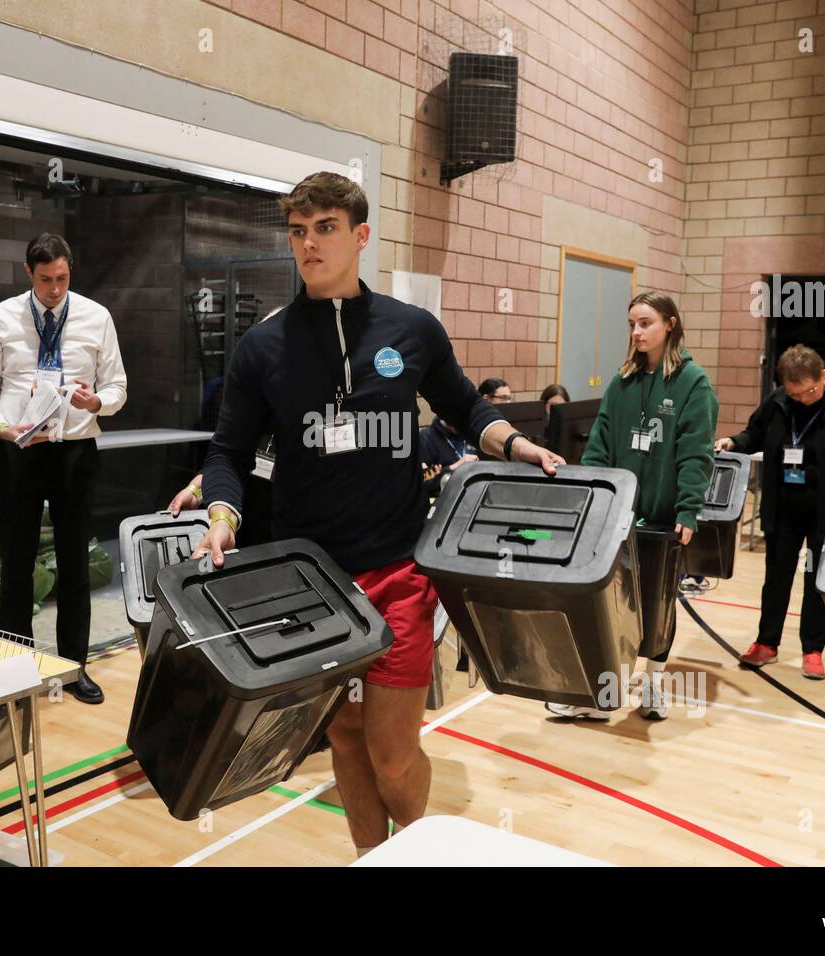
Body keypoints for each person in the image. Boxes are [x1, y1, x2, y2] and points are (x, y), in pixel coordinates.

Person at [193, 171, 563, 856]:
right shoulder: (262, 348)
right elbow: (228, 452)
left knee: (393, 754)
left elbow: (463, 406)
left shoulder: (411, 330)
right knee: (343, 736)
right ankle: (370, 858)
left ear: (361, 236)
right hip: (312, 583)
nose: (309, 244)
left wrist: (514, 443)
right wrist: (223, 514)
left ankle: (417, 853)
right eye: (298, 231)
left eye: (325, 228)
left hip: (398, 571)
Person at [545, 292, 717, 721]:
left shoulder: (693, 382)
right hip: (617, 517)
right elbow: (601, 444)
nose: (636, 332)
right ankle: (603, 698)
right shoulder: (622, 382)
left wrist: (688, 509)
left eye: (645, 323)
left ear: (670, 325)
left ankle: (655, 689)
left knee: (658, 607)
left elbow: (696, 453)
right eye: (632, 325)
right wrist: (591, 495)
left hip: (662, 520)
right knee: (610, 607)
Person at [0, 233, 128, 704]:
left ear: (70, 271)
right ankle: (16, 670)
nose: (54, 290)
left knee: (75, 562)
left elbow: (118, 387)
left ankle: (72, 668)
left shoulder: (96, 317)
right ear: (28, 272)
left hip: (75, 451)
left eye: (61, 279)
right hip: (18, 450)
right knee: (16, 561)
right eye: (45, 281)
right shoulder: (2, 317)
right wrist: (2, 428)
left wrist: (97, 400)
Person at [717, 345, 825, 679]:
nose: (803, 399)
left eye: (809, 391)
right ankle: (766, 643)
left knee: (815, 580)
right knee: (776, 576)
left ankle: (812, 649)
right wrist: (734, 442)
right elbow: (755, 432)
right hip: (784, 509)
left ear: (823, 376)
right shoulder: (780, 401)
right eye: (796, 394)